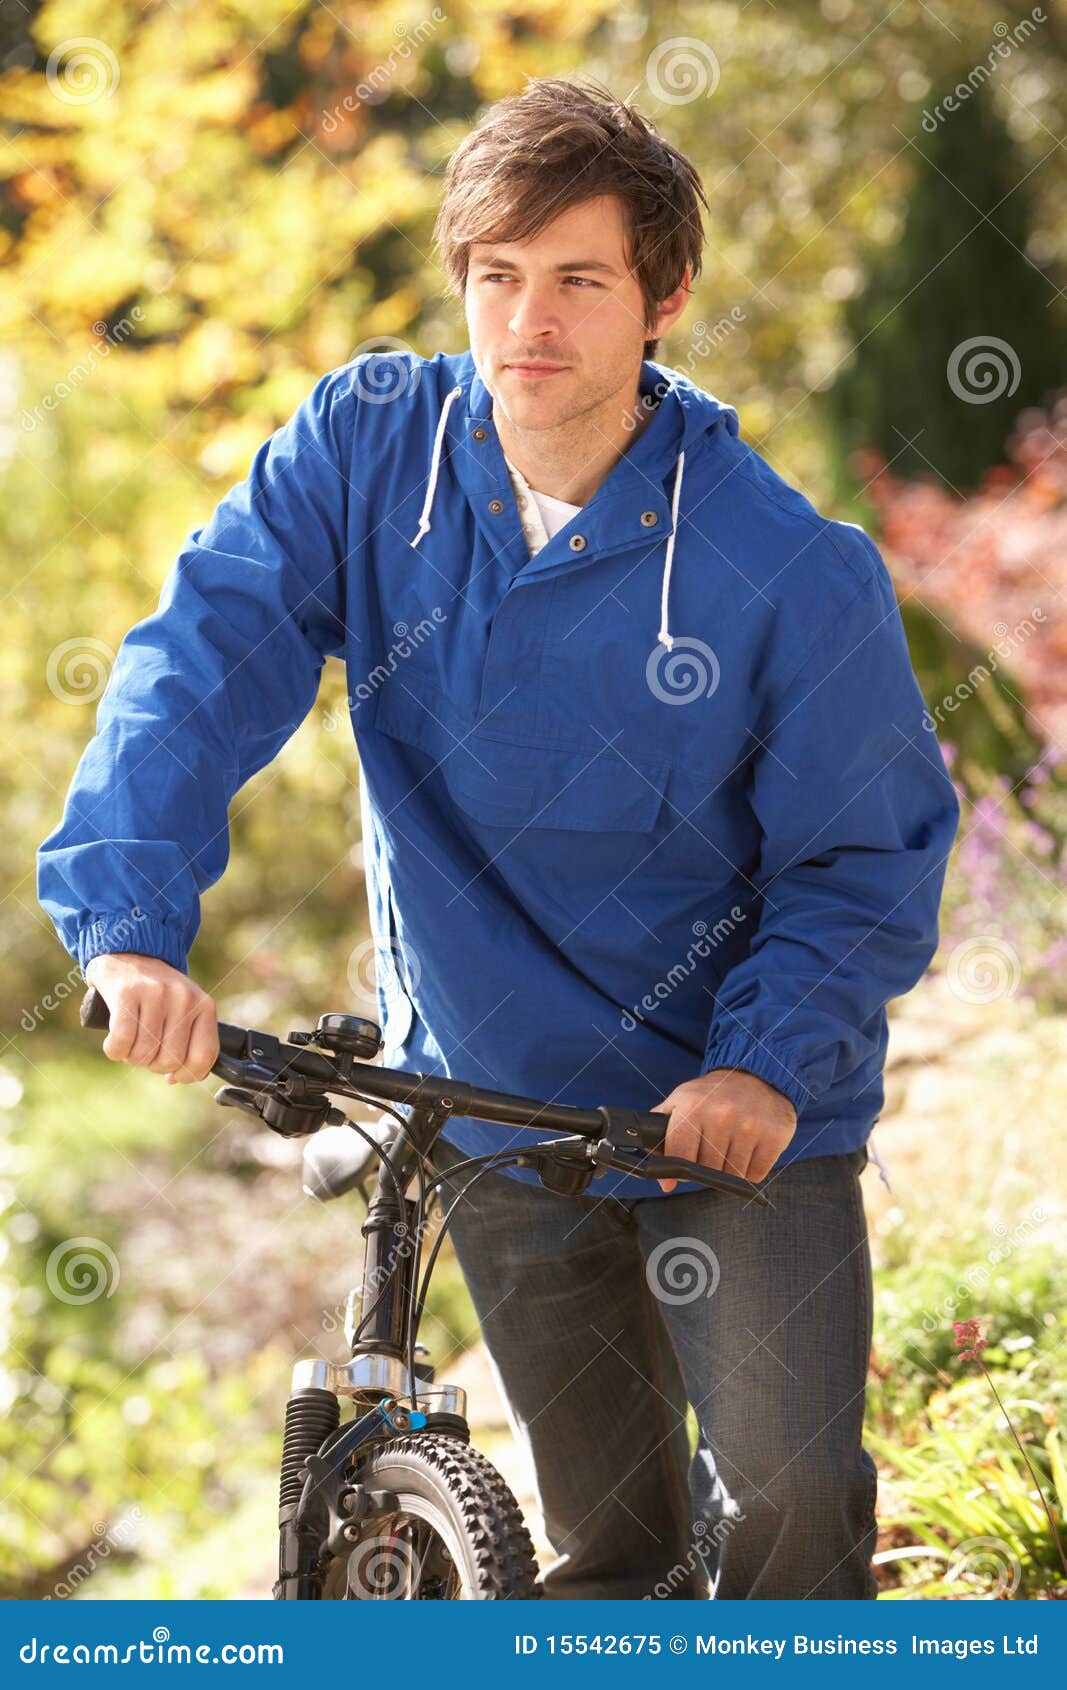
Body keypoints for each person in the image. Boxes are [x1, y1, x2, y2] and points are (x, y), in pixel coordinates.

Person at [37, 77, 960, 1599]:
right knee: (606, 1547)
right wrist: (131, 922)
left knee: (791, 1518)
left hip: (732, 1119)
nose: (529, 323)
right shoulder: (367, 453)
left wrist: (762, 1060)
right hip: (491, 1106)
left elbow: (857, 863)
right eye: (498, 278)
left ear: (662, 298)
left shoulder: (788, 568)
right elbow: (195, 664)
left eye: (580, 282)